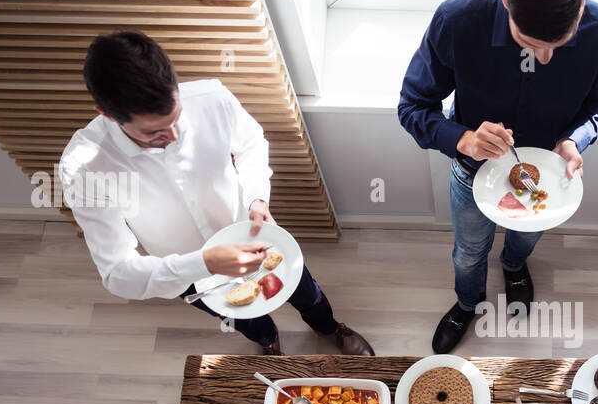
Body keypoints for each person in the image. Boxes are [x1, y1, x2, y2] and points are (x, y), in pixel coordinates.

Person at [60, 30, 374, 356]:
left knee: (305, 291)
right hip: (186, 269)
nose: (171, 136)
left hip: (252, 233)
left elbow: (251, 142)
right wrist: (204, 263)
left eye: (176, 118)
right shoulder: (85, 167)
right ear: (107, 114)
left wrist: (256, 197)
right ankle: (268, 342)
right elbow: (118, 274)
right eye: (154, 133)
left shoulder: (211, 99)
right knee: (242, 320)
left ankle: (329, 327)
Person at [398, 0, 598, 353]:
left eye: (560, 42)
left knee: (525, 239)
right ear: (505, 2)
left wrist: (575, 140)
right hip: (471, 171)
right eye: (529, 41)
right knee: (468, 251)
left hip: (549, 178)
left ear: (581, 9)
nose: (544, 57)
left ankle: (515, 267)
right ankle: (468, 303)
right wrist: (463, 138)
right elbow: (412, 107)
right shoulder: (457, 20)